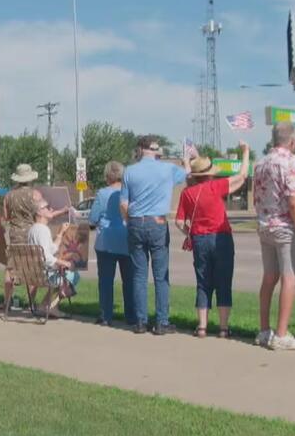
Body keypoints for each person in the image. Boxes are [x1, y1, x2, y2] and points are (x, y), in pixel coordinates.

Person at [176, 143, 250, 339]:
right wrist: (245, 153)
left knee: (203, 283)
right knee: (223, 282)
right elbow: (242, 176)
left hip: (199, 239)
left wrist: (189, 233)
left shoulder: (187, 193)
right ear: (209, 174)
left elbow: (179, 222)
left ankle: (202, 326)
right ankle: (223, 328)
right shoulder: (215, 186)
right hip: (221, 237)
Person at [120, 136, 188, 335]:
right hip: (157, 223)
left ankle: (141, 321)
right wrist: (186, 161)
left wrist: (129, 220)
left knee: (139, 275)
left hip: (136, 221)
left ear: (140, 150)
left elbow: (123, 203)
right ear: (156, 150)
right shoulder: (167, 169)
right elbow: (187, 173)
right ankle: (161, 322)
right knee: (161, 275)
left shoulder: (129, 171)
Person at [253, 122, 295, 351]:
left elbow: (256, 196)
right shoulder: (290, 163)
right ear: (292, 141)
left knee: (269, 277)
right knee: (289, 277)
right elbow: (294, 201)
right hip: (285, 226)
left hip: (265, 224)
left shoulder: (260, 163)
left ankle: (264, 330)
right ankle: (282, 334)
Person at [89, 161, 134, 327]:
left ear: (107, 176)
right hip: (126, 238)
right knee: (129, 281)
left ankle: (106, 315)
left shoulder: (102, 193)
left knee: (106, 281)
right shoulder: (129, 192)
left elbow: (93, 218)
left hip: (106, 239)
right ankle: (132, 315)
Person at [28, 200, 80, 318]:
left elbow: (50, 250)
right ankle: (50, 306)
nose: (51, 209)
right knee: (74, 275)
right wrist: (64, 263)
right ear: (39, 212)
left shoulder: (34, 229)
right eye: (47, 207)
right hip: (44, 274)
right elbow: (46, 257)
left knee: (65, 274)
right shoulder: (43, 230)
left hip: (36, 273)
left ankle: (47, 306)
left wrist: (61, 233)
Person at [2, 164, 44, 309]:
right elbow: (40, 215)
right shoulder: (35, 195)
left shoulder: (9, 195)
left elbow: (6, 216)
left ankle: (6, 301)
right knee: (32, 268)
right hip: (31, 234)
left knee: (11, 268)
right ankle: (31, 302)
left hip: (15, 235)